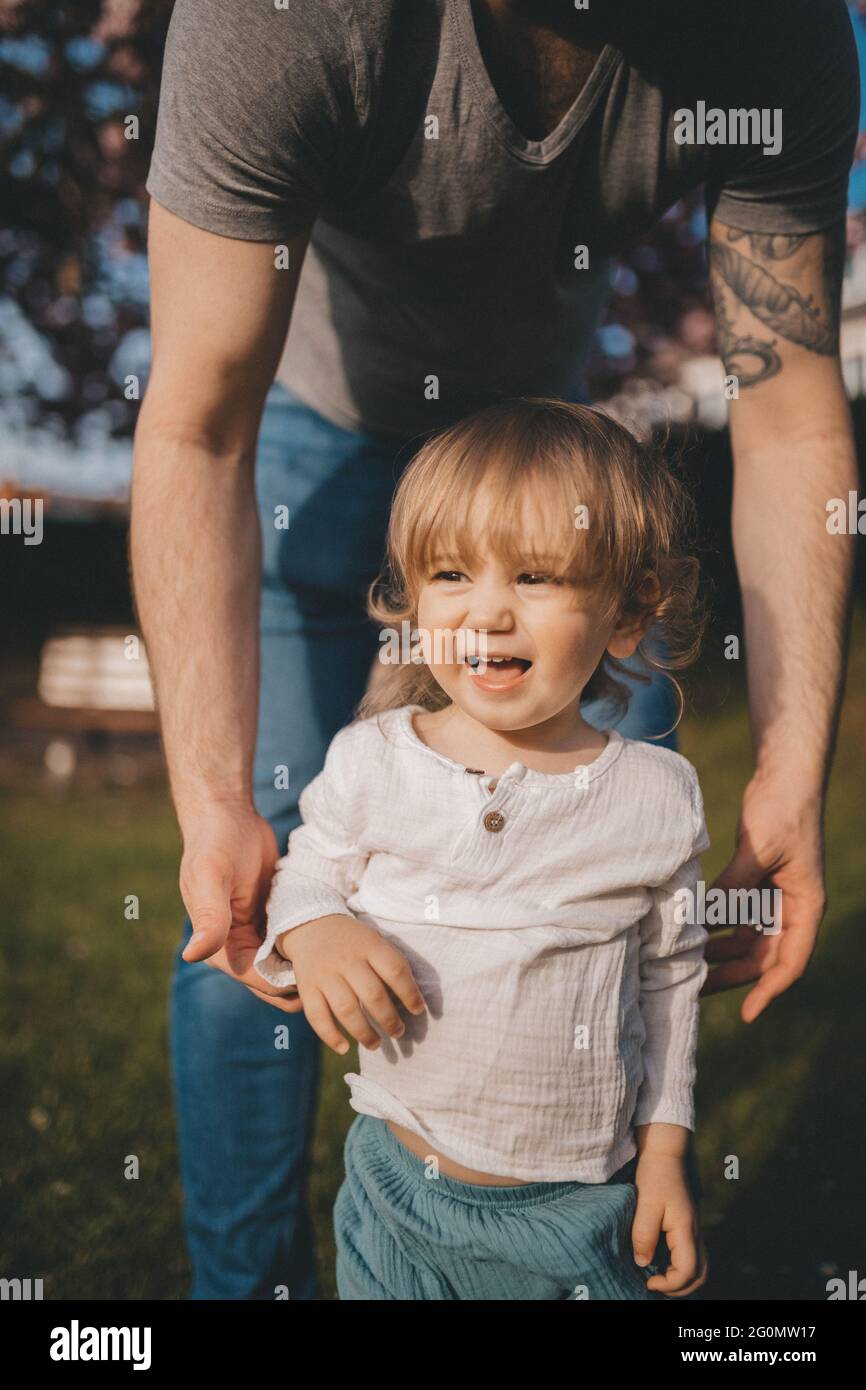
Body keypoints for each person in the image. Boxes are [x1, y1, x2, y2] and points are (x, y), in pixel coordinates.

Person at [132, 0, 860, 1298]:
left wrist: (792, 770)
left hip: (545, 459)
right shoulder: (283, 22)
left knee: (609, 848)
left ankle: (553, 1213)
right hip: (303, 428)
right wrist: (213, 805)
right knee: (246, 885)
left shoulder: (775, 34)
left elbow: (790, 414)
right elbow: (195, 428)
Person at [250, 397, 709, 1300]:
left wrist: (665, 1158)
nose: (488, 613)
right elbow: (302, 874)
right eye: (452, 573)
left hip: (577, 1208)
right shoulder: (372, 761)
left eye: (537, 577)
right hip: (394, 1188)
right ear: (412, 597)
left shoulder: (655, 796)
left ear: (626, 611)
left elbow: (672, 980)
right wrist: (314, 932)